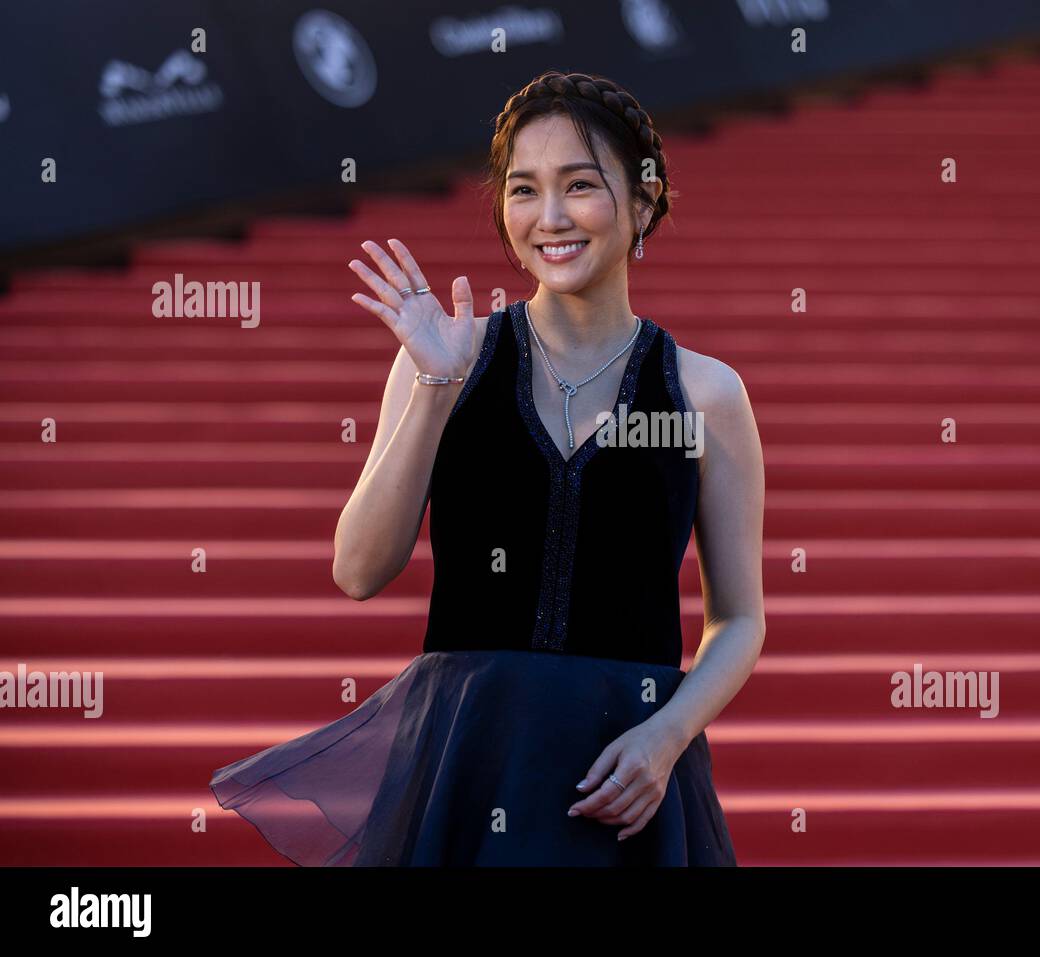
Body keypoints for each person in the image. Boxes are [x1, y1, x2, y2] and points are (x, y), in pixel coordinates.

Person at [209, 70, 765, 866]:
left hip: (629, 775)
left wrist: (667, 735)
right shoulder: (447, 358)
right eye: (523, 190)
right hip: (466, 764)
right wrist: (434, 386)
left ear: (644, 204)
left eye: (580, 186)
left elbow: (739, 618)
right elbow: (359, 569)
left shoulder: (706, 393)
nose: (550, 218)